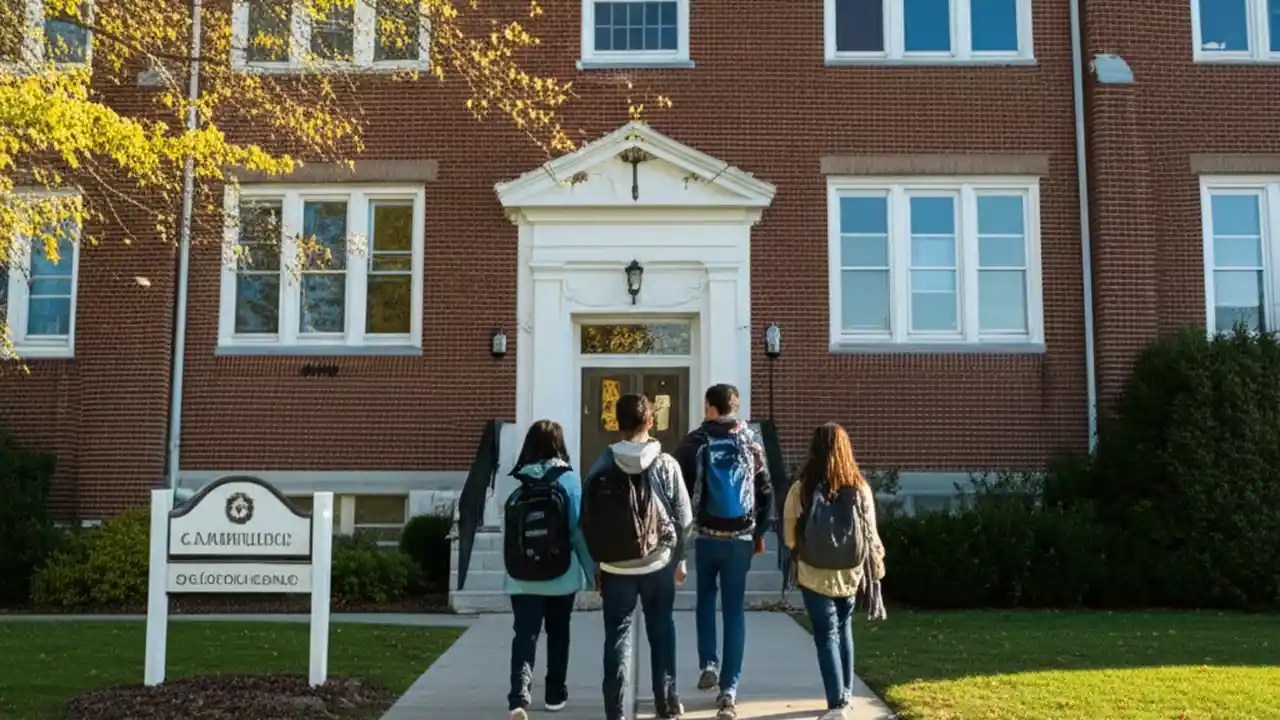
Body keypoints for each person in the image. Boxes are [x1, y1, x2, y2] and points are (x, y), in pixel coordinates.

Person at [581, 393, 693, 720]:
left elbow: (585, 520)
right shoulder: (666, 464)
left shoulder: (601, 464)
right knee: (662, 631)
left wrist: (597, 564)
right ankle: (667, 702)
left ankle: (614, 710)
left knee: (617, 637)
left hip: (615, 566)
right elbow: (684, 518)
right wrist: (680, 559)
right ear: (650, 421)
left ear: (618, 423)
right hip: (658, 563)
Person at [673, 383, 773, 719]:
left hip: (706, 536)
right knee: (734, 612)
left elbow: (676, 481)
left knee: (705, 599)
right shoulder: (751, 442)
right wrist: (758, 532)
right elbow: (767, 493)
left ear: (711, 408)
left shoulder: (696, 441)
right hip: (740, 539)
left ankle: (708, 665)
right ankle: (729, 691)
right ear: (735, 406)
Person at [783, 423, 885, 720]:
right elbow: (870, 533)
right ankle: (846, 695)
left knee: (826, 635)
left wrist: (801, 549)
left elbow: (789, 536)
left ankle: (836, 705)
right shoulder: (860, 487)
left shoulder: (800, 488)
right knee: (844, 629)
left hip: (813, 572)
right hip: (850, 572)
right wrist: (876, 563)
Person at [502, 420, 595, 720]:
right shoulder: (569, 480)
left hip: (522, 575)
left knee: (524, 635)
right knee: (558, 633)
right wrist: (593, 573)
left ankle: (519, 696)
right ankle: (555, 694)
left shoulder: (517, 478)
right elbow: (577, 531)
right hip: (561, 574)